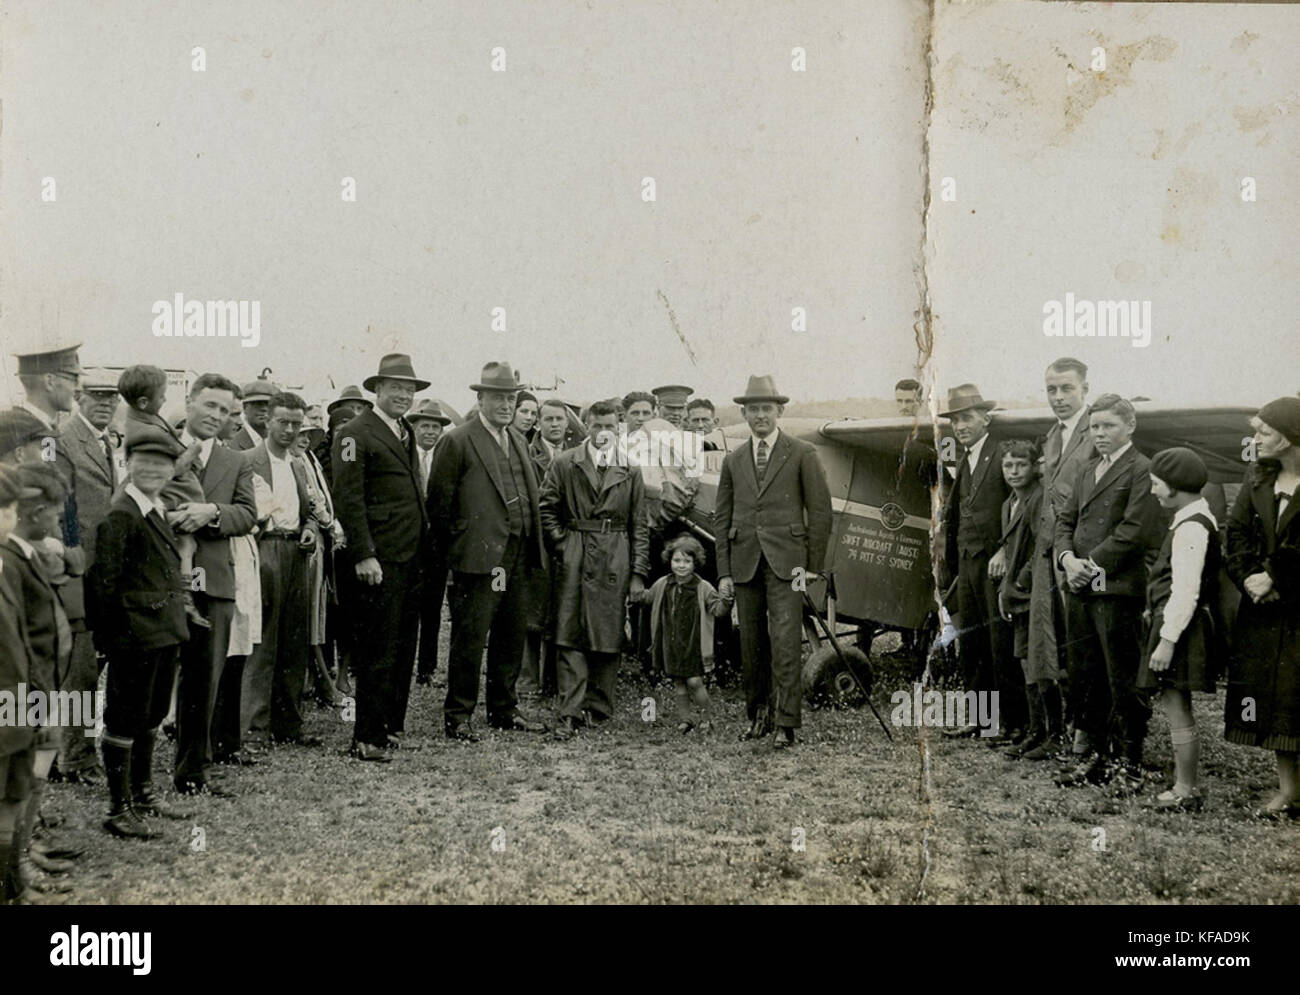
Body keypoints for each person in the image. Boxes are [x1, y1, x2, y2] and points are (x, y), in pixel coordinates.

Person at [428, 362, 547, 741]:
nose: (506, 404)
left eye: (511, 397)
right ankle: (458, 715)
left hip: (517, 553)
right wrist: (454, 556)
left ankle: (503, 708)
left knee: (511, 633)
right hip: (479, 558)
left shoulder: (518, 440)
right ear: (480, 398)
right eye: (497, 397)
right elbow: (439, 506)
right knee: (471, 635)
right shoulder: (458, 440)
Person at [88, 423, 195, 838]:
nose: (152, 469)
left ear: (172, 470)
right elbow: (104, 586)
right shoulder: (123, 514)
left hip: (163, 632)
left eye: (161, 463)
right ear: (128, 464)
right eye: (143, 461)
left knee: (149, 716)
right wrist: (117, 641)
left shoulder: (153, 509)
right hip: (135, 637)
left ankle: (143, 795)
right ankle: (119, 808)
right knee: (123, 719)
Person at [715, 375, 832, 749]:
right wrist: (724, 572)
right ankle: (758, 717)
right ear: (744, 413)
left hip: (791, 565)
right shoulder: (733, 460)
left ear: (779, 411)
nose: (760, 415)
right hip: (746, 561)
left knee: (784, 642)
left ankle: (787, 723)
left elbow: (820, 510)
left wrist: (813, 565)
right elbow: (722, 517)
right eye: (753, 409)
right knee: (751, 645)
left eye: (767, 409)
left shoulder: (801, 452)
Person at [1054, 394, 1161, 790]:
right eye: (1095, 426)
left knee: (1123, 676)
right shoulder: (1086, 469)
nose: (1099, 433)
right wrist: (1067, 559)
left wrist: (1090, 565)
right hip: (1081, 586)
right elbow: (1065, 520)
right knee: (1085, 672)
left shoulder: (1141, 470)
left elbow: (1133, 532)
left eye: (1108, 426)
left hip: (1116, 590)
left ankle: (1129, 761)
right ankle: (1094, 757)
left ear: (1129, 426)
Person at [332, 354, 429, 760]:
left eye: (409, 389)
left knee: (403, 645)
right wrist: (363, 554)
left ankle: (387, 725)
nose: (404, 395)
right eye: (395, 388)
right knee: (377, 647)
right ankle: (365, 737)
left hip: (411, 555)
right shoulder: (355, 433)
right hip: (379, 559)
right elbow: (348, 497)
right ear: (377, 390)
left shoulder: (403, 430)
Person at [540, 400, 649, 740]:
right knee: (569, 631)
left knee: (608, 630)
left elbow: (639, 525)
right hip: (576, 552)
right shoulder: (564, 463)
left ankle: (599, 707)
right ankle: (570, 710)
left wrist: (637, 573)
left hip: (614, 554)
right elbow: (546, 508)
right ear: (586, 426)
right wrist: (564, 545)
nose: (603, 433)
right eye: (597, 426)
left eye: (610, 427)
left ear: (618, 429)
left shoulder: (630, 469)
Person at [171, 374, 258, 795]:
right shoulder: (160, 447)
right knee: (149, 680)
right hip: (164, 580)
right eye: (209, 406)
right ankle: (129, 775)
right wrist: (176, 518)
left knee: (205, 682)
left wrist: (210, 512)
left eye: (224, 410)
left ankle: (192, 773)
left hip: (216, 582)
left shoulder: (236, 461)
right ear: (189, 403)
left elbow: (247, 514)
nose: (216, 416)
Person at [1223, 397, 1300, 818]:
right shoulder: (1255, 481)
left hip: (1297, 606)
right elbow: (1235, 535)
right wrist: (1251, 579)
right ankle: (1289, 793)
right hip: (1264, 611)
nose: (1256, 440)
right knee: (1274, 701)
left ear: (1288, 439)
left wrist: (1277, 575)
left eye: (1263, 433)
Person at [0, 464, 73, 897]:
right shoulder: (12, 562)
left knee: (35, 771)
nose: (57, 520)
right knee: (22, 776)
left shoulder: (27, 556)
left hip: (45, 681)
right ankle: (17, 863)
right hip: (30, 689)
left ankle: (23, 853)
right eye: (53, 512)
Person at [1137, 448, 1222, 812]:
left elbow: (1186, 589)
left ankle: (1186, 788)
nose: (1153, 491)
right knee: (1174, 703)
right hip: (1171, 621)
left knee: (1176, 704)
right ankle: (1184, 783)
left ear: (1174, 487)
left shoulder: (1191, 526)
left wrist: (1167, 641)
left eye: (1156, 484)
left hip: (1181, 628)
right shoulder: (1189, 518)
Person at [240, 393, 323, 749]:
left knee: (294, 640)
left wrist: (309, 528)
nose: (289, 430)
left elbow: (309, 510)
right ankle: (253, 728)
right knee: (263, 640)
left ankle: (289, 723)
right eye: (283, 422)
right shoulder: (247, 461)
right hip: (263, 549)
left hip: (295, 551)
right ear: (267, 422)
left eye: (296, 424)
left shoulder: (299, 464)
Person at [938, 383, 1020, 740]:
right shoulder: (966, 458)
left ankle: (1013, 722)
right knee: (972, 643)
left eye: (967, 417)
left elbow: (1020, 508)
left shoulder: (1002, 454)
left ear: (985, 418)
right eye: (955, 420)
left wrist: (1004, 549)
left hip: (995, 565)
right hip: (969, 565)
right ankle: (981, 719)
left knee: (1000, 643)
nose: (960, 426)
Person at [53, 367, 122, 786]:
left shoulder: (106, 442)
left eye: (112, 398)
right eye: (97, 396)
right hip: (76, 570)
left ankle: (71, 749)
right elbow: (59, 504)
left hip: (102, 570)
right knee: (78, 667)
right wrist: (70, 551)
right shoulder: (63, 441)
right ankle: (74, 758)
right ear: (79, 397)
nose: (106, 404)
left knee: (91, 664)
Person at [1030, 358, 1094, 762]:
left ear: (1085, 388)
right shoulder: (1052, 436)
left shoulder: (1097, 431)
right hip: (1048, 551)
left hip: (1081, 554)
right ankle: (1054, 731)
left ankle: (1087, 736)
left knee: (1082, 644)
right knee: (1046, 644)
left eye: (1066, 389)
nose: (1058, 397)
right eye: (1051, 389)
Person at [118, 365, 210, 629]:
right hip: (171, 495)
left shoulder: (147, 420)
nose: (165, 400)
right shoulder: (146, 430)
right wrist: (195, 450)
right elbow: (172, 468)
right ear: (144, 401)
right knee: (186, 546)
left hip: (171, 495)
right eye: (162, 395)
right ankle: (184, 596)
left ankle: (184, 595)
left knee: (185, 546)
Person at [992, 439, 1051, 758]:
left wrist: (1018, 583)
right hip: (1016, 593)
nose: (1014, 472)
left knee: (1039, 664)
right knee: (1027, 662)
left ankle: (1047, 734)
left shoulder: (1038, 499)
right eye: (1008, 465)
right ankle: (1035, 731)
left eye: (1021, 465)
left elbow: (1039, 549)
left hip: (1031, 592)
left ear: (1034, 467)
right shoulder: (1008, 504)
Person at [644, 534, 730, 733]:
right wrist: (631, 591)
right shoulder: (663, 584)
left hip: (694, 644)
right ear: (670, 560)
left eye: (686, 561)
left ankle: (707, 719)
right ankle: (686, 720)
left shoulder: (703, 588)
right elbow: (647, 598)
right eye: (677, 560)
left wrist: (726, 600)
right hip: (671, 644)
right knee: (679, 683)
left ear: (695, 563)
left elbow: (718, 611)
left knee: (694, 681)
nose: (681, 565)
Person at [0, 465, 38, 903]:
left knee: (12, 796)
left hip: (15, 706)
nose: (7, 517)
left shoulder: (9, 562)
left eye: (9, 508)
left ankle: (10, 884)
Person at [516, 398, 570, 699]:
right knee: (531, 612)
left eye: (559, 419)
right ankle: (527, 680)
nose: (554, 424)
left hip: (566, 542)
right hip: (536, 542)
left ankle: (554, 680)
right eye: (547, 419)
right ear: (539, 422)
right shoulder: (526, 453)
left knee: (560, 610)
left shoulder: (576, 455)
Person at [409, 400, 452, 688]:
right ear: (414, 427)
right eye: (425, 426)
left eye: (435, 427)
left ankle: (427, 668)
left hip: (437, 546)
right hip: (409, 544)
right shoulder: (406, 455)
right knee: (408, 608)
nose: (430, 432)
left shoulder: (446, 457)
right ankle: (405, 665)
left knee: (433, 609)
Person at [231, 379, 276, 451]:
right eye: (258, 403)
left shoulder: (279, 443)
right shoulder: (231, 445)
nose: (264, 409)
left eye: (269, 404)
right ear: (245, 408)